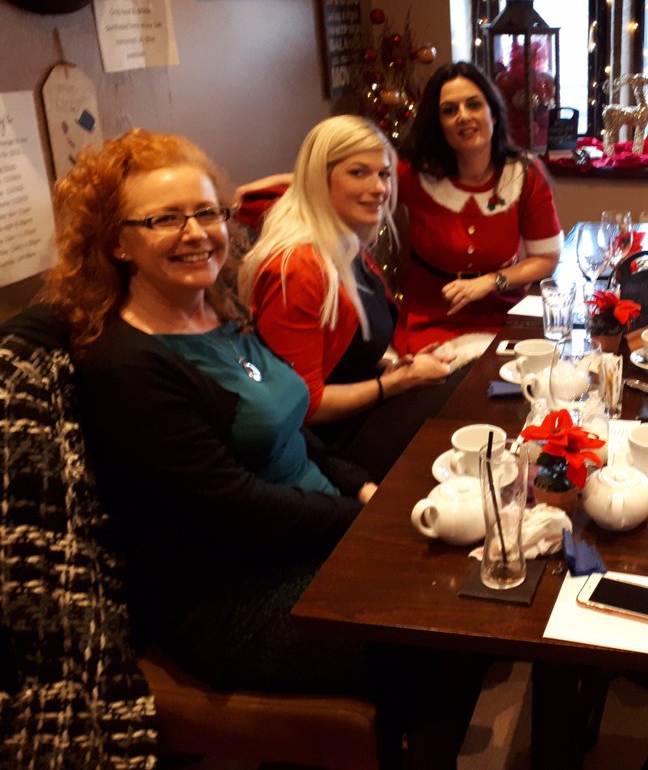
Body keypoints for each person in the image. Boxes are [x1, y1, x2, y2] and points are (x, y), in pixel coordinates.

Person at [38, 129, 478, 767]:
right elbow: (233, 507)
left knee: (468, 593)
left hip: (307, 533)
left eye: (207, 212)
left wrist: (362, 487)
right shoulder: (127, 367)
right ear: (117, 242)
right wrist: (369, 522)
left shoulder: (216, 312)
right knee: (445, 630)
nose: (196, 233)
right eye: (164, 219)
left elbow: (294, 422)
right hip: (231, 594)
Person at [240, 115, 457, 476]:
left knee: (463, 388)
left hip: (357, 417)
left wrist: (394, 368)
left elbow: (342, 358)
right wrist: (396, 383)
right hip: (322, 448)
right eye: (358, 172)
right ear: (318, 179)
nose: (379, 188)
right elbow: (302, 405)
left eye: (384, 174)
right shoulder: (298, 269)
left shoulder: (345, 243)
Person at [399, 60, 563, 353]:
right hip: (433, 324)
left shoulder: (525, 174)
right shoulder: (413, 174)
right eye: (449, 110)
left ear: (494, 114)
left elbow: (546, 258)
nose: (463, 116)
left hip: (506, 317)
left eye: (474, 105)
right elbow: (346, 185)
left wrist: (491, 281)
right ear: (438, 124)